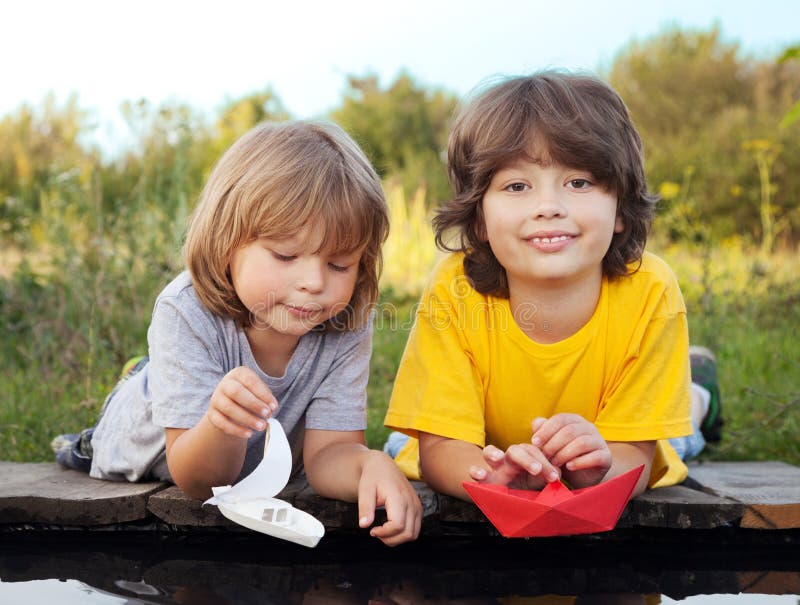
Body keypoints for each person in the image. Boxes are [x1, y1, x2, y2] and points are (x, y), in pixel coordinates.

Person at [52, 121, 422, 545]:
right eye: (286, 255)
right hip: (154, 446)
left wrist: (366, 465)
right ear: (227, 243)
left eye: (339, 265)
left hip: (253, 448)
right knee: (97, 444)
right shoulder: (186, 308)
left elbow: (326, 455)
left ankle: (156, 374)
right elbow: (197, 481)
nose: (314, 283)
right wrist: (221, 425)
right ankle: (136, 389)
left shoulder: (344, 320)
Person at [383, 71, 722, 501]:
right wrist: (492, 480)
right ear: (479, 218)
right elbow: (440, 451)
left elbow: (634, 457)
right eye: (517, 185)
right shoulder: (457, 287)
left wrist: (597, 470)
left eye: (578, 182)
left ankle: (699, 391)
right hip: (479, 445)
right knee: (401, 447)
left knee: (678, 439)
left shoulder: (650, 290)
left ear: (621, 208)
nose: (548, 207)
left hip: (613, 438)